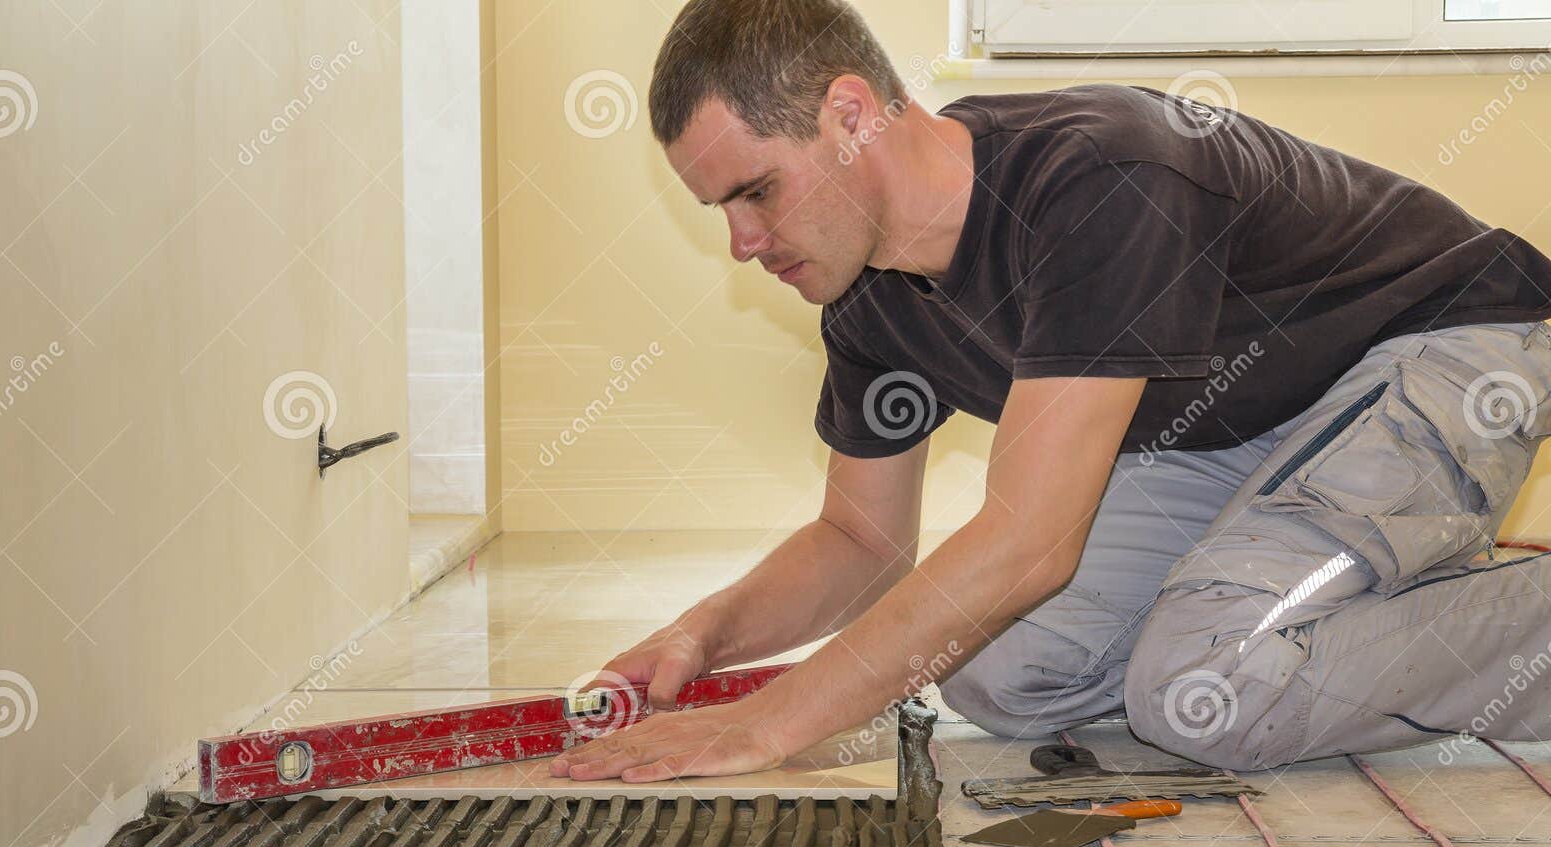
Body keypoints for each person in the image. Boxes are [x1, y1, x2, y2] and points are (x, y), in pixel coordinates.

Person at [549, 0, 1551, 785]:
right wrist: (701, 636)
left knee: (1208, 685)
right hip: (1246, 423)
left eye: (755, 191)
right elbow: (860, 542)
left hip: (1451, 344)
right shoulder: (865, 299)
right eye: (719, 209)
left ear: (849, 116)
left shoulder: (1097, 177)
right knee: (999, 671)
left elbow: (1032, 541)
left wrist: (770, 722)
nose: (740, 243)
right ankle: (1338, 586)